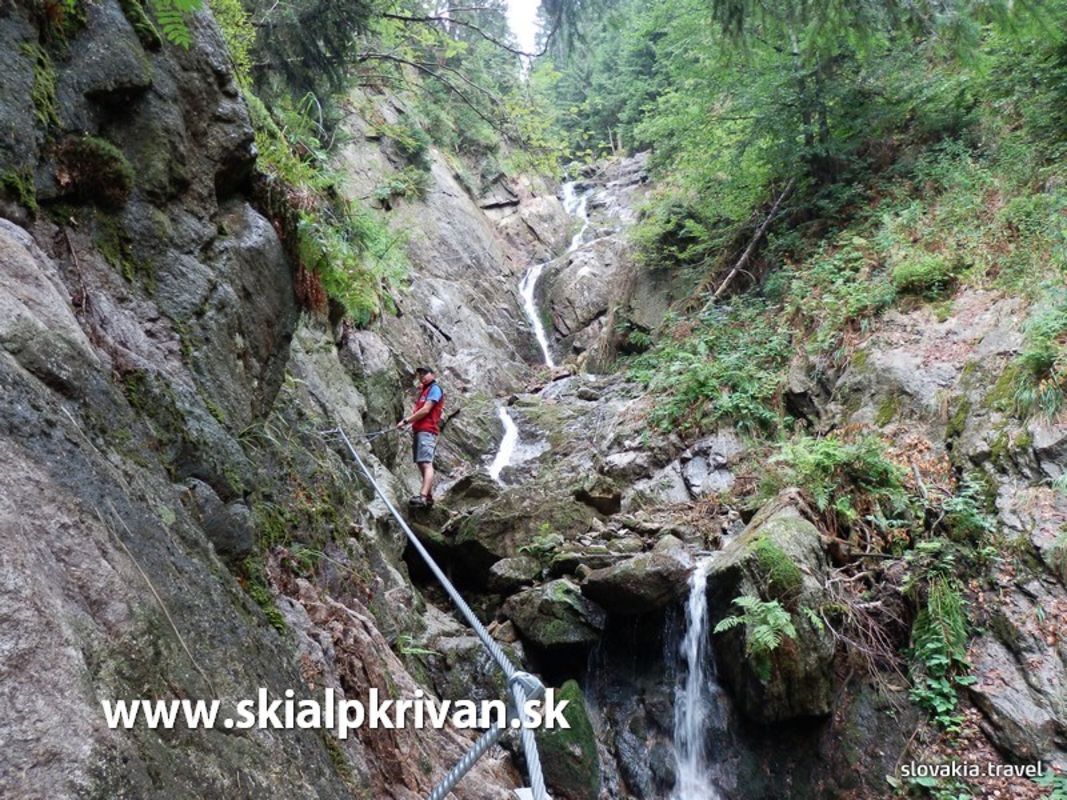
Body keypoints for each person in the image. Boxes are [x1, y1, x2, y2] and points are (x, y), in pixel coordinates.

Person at [397, 366, 444, 506]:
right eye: (420, 374)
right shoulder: (425, 390)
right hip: (420, 430)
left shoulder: (435, 389)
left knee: (426, 463)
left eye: (425, 373)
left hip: (427, 430)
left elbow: (426, 410)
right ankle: (428, 497)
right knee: (420, 462)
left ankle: (423, 497)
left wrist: (406, 420)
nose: (422, 376)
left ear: (433, 374)